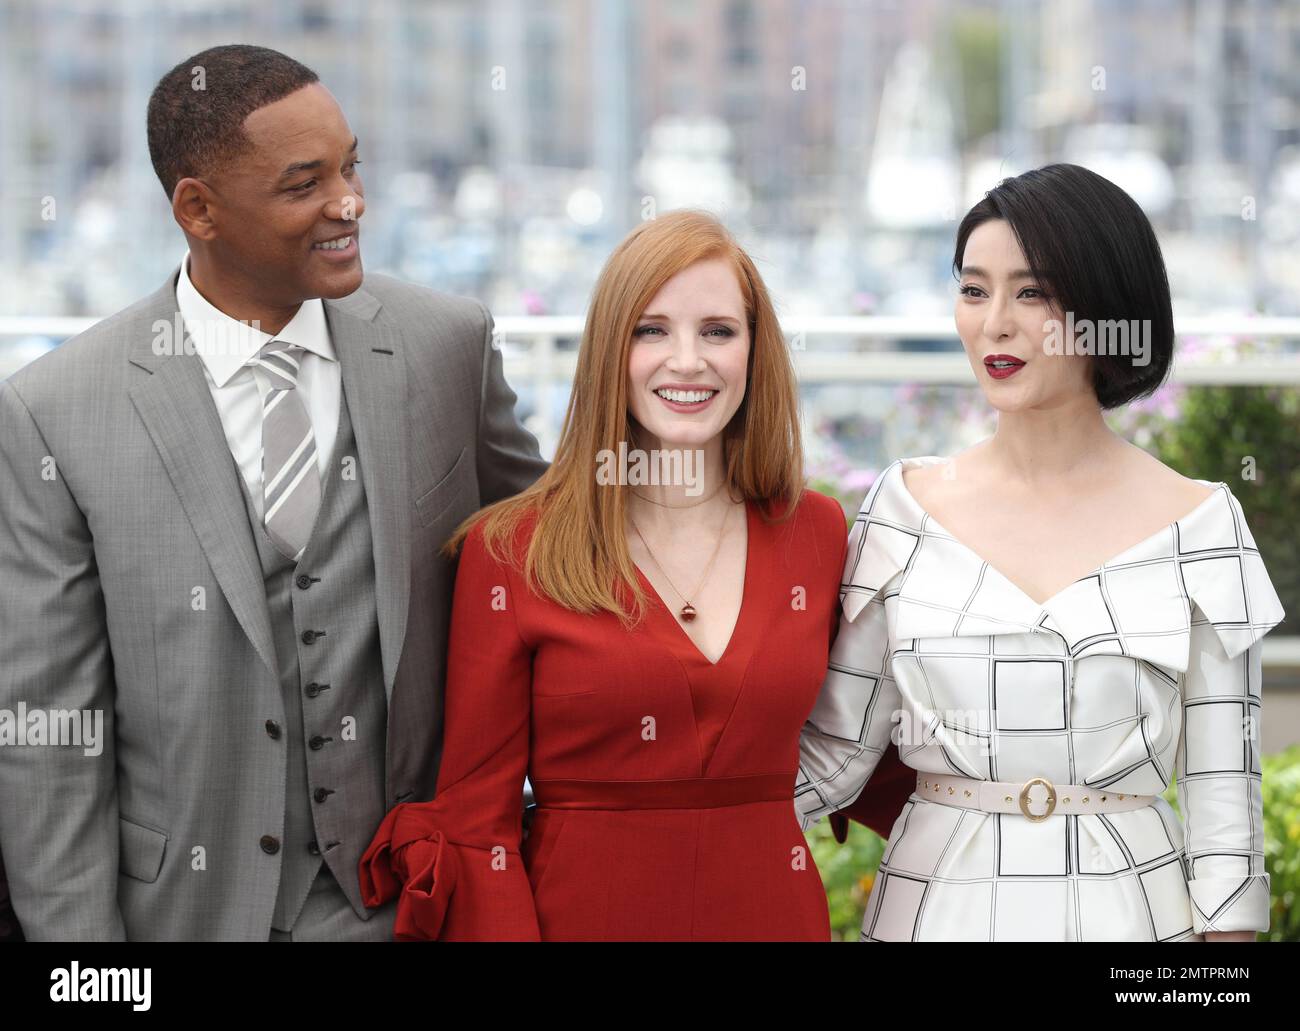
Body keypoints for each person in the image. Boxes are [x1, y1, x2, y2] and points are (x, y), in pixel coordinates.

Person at [0, 44, 547, 940]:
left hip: (410, 904)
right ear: (198, 208)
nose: (350, 203)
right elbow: (53, 737)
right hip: (186, 916)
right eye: (305, 184)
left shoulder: (446, 345)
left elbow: (557, 563)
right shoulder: (54, 412)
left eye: (352, 165)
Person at [357, 209, 916, 940]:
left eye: (718, 330)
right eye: (651, 330)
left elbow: (874, 743)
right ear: (608, 352)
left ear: (755, 350)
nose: (688, 360)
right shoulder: (512, 550)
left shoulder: (815, 530)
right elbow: (476, 823)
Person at [796, 164, 1285, 941]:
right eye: (973, 289)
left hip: (1135, 922)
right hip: (931, 911)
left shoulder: (1204, 524)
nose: (995, 323)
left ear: (1106, 308)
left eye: (1032, 293)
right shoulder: (903, 507)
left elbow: (1227, 819)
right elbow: (834, 756)